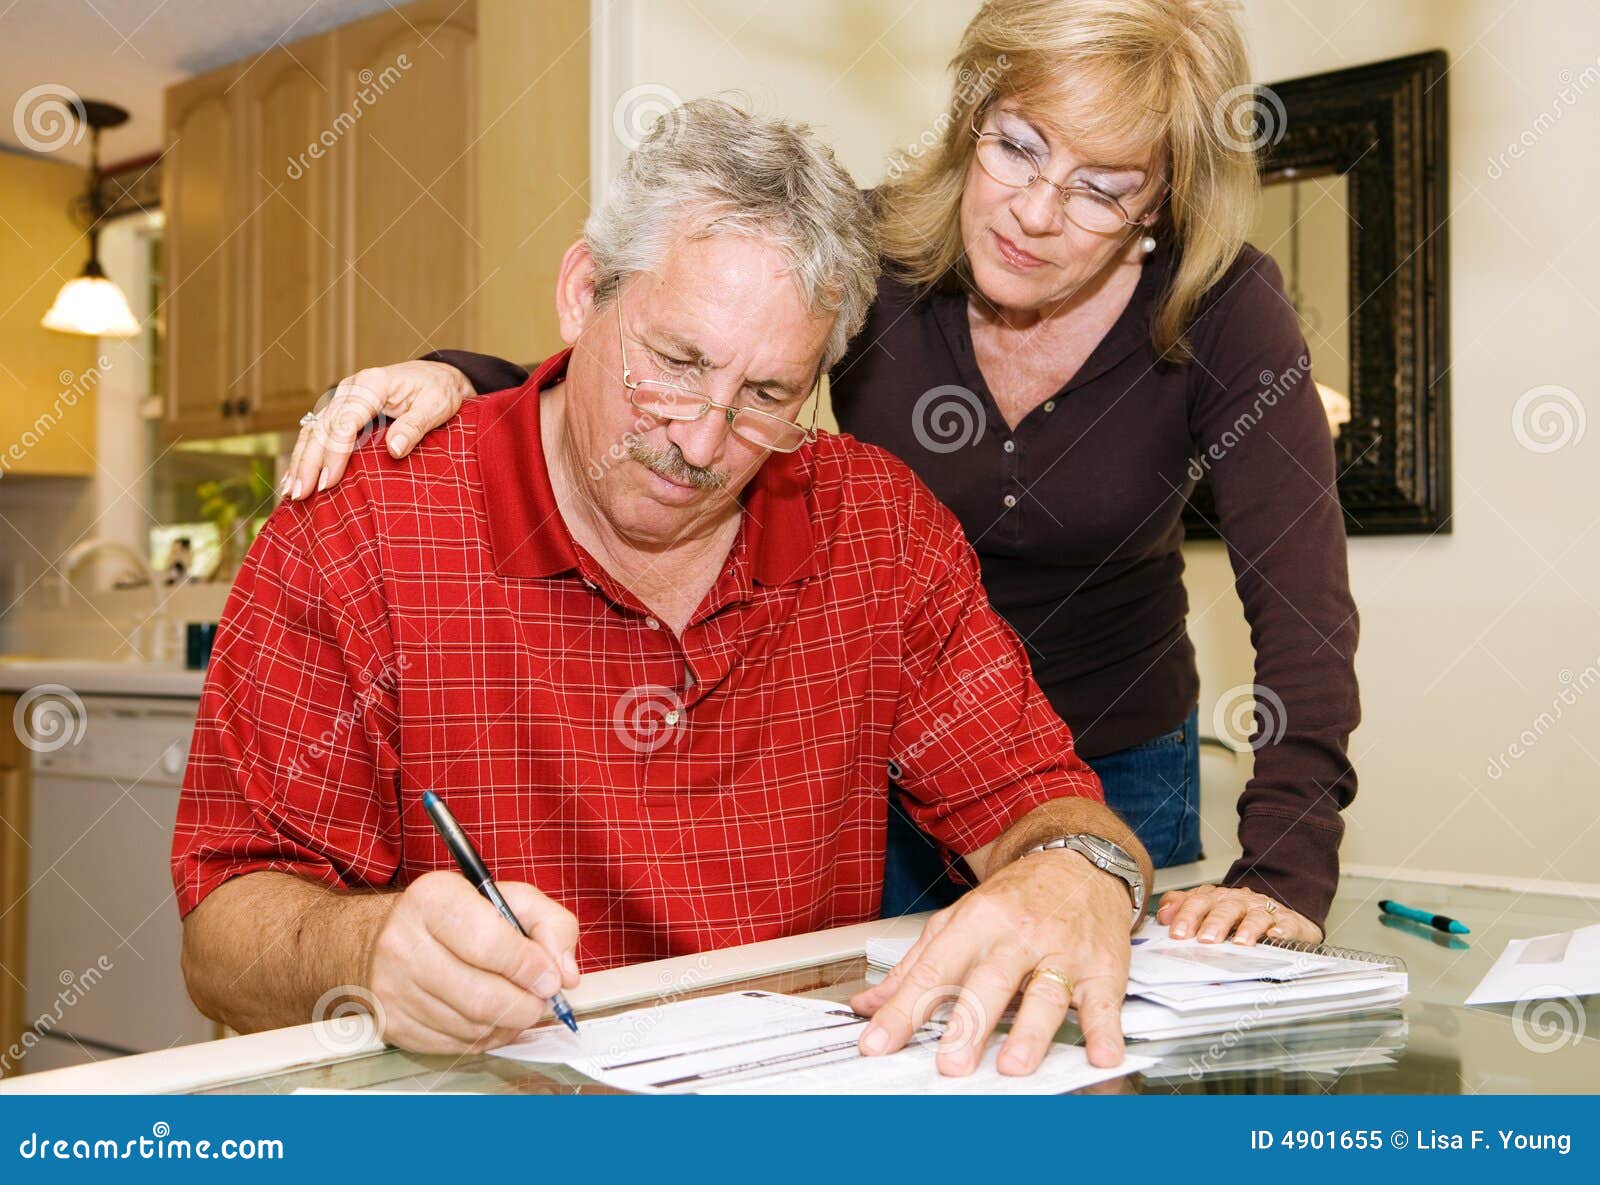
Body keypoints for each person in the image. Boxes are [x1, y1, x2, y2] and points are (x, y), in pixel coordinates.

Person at [286, 0, 1360, 948]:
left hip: (1109, 753)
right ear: (969, 119)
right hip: (886, 748)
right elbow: (684, 357)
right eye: (1017, 148)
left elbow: (1303, 612)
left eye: (1100, 190)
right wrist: (464, 379)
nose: (1035, 213)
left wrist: (1285, 872)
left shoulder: (1221, 310)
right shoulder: (876, 252)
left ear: (1162, 201)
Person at [174, 98, 1152, 1076]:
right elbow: (223, 940)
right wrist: (370, 953)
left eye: (767, 396)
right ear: (583, 292)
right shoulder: (361, 524)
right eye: (676, 364)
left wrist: (1075, 873)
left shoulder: (878, 526)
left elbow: (1040, 804)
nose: (700, 442)